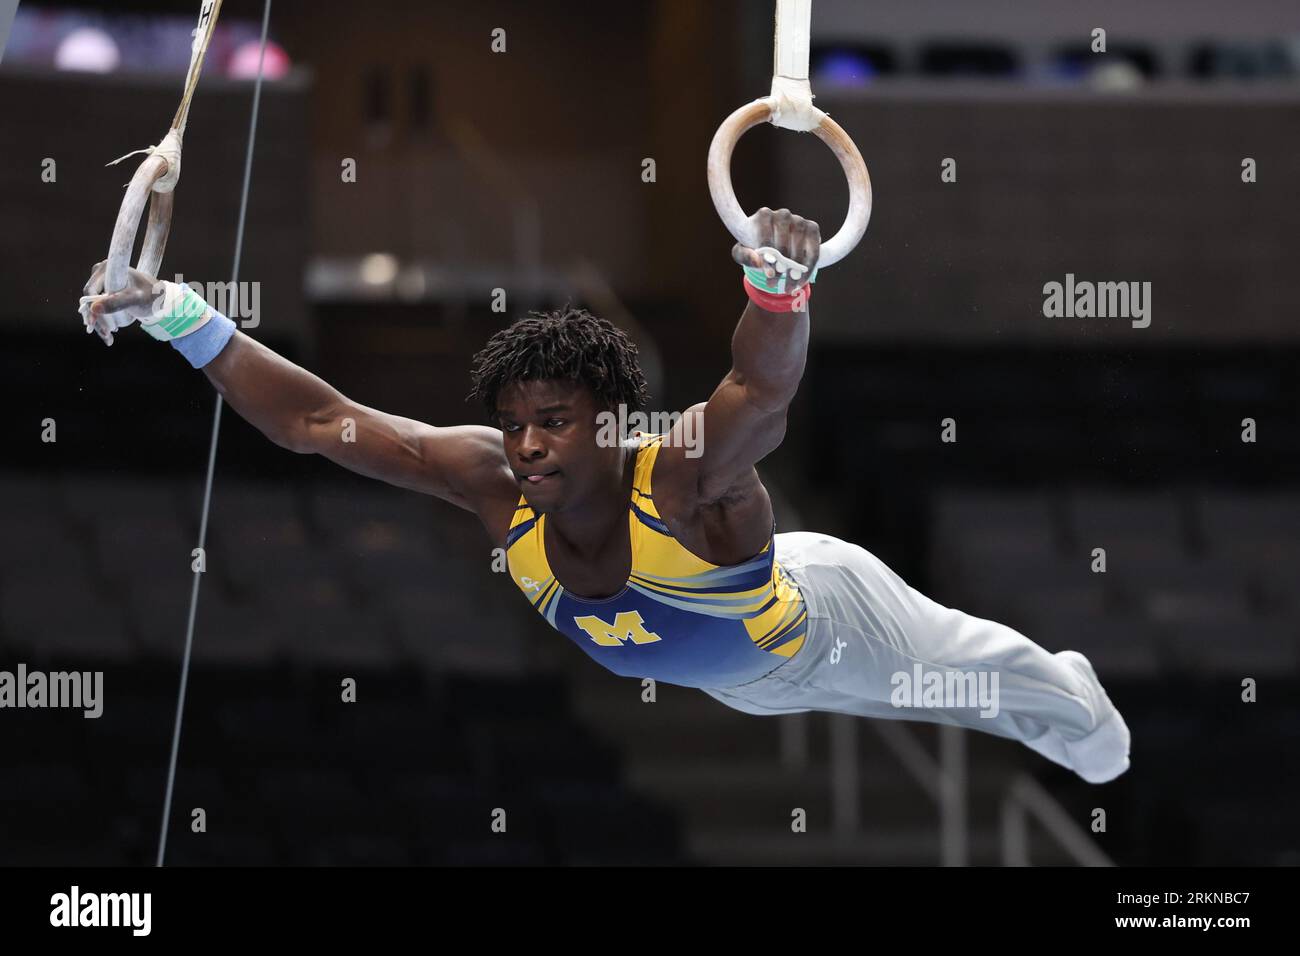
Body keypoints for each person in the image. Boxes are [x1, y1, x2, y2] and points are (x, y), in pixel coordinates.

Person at [79, 207, 1130, 784]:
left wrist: (777, 287)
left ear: (615, 420)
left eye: (557, 422)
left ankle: (1072, 697)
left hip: (834, 624)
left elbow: (762, 389)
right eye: (516, 421)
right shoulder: (495, 486)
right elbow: (317, 422)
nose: (528, 445)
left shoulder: (679, 478)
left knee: (1006, 698)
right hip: (736, 676)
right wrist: (179, 315)